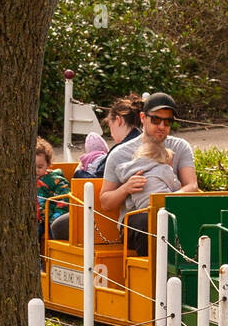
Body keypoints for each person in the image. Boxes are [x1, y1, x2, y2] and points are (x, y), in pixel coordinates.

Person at [99, 93, 198, 256]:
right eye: (156, 120)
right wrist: (125, 189)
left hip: (173, 214)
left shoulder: (180, 147)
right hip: (136, 220)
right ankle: (151, 278)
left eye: (168, 122)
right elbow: (105, 202)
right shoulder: (120, 154)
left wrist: (166, 204)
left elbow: (192, 186)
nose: (162, 126)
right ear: (143, 117)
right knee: (148, 222)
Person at [72, 96, 142, 180]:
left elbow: (97, 179)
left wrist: (78, 172)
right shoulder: (146, 140)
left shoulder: (120, 151)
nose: (112, 135)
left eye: (110, 126)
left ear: (118, 120)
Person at [36, 138, 70, 250]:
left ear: (48, 164)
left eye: (40, 167)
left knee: (53, 237)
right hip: (36, 220)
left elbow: (64, 198)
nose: (36, 171)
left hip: (49, 218)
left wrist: (55, 217)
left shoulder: (54, 180)